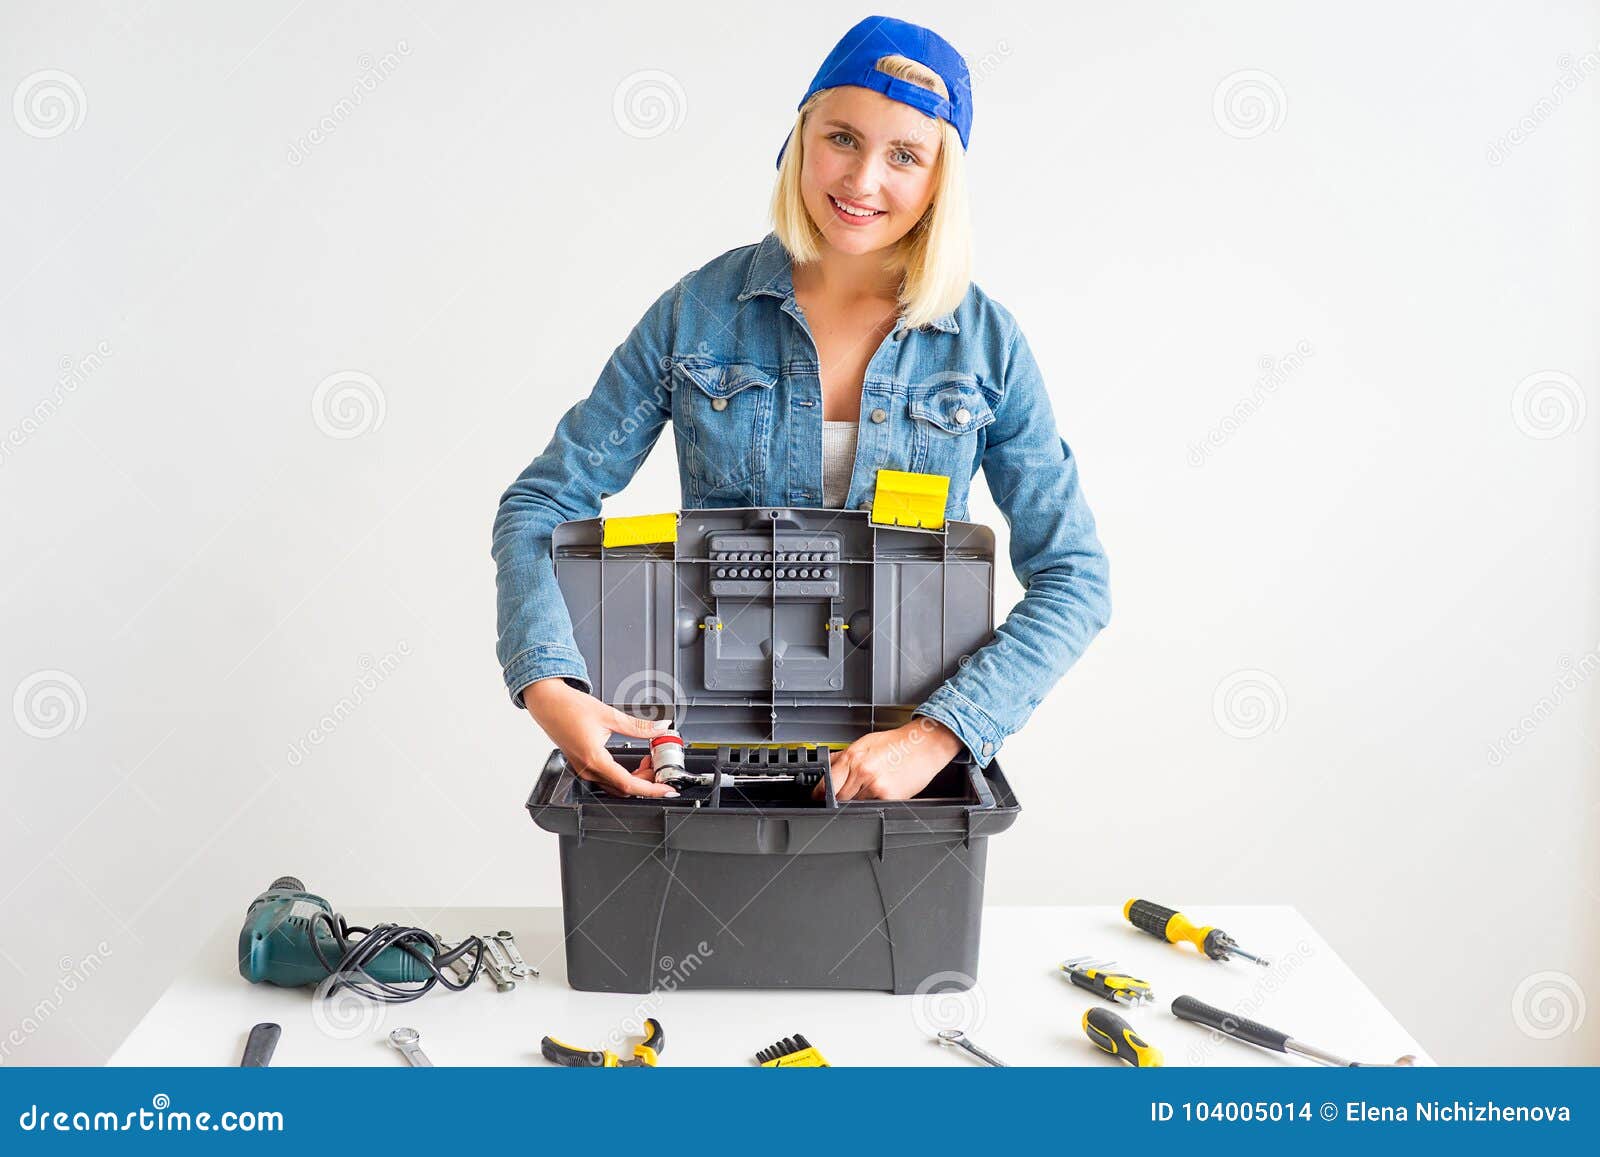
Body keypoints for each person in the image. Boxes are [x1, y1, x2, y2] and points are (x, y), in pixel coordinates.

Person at [492, 16, 1110, 802]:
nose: (862, 181)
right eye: (843, 138)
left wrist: (936, 736)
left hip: (904, 784)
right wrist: (548, 680)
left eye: (904, 155)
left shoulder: (988, 346)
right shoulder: (695, 315)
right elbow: (543, 501)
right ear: (800, 138)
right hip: (706, 769)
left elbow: (1075, 576)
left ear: (940, 180)